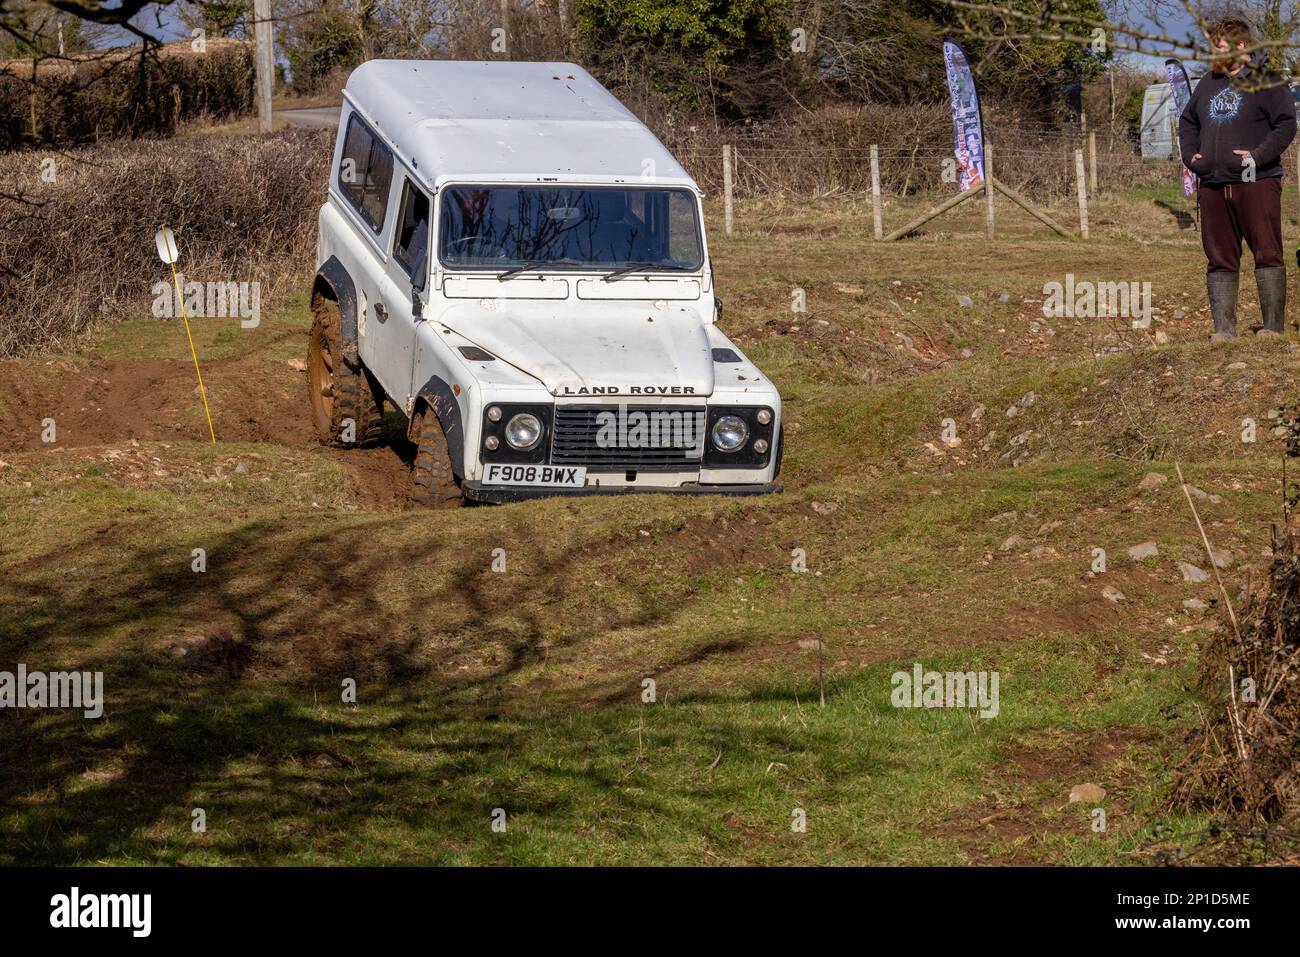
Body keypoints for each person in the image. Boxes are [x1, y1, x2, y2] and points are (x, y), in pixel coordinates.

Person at [1179, 16, 1296, 340]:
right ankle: (1224, 331)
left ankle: (1272, 328)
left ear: (1241, 45)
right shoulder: (1208, 83)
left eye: (1218, 46)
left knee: (1268, 252)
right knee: (1219, 258)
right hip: (1213, 185)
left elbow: (1286, 124)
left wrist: (1257, 156)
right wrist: (1191, 157)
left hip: (1257, 182)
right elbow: (1187, 122)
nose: (1212, 53)